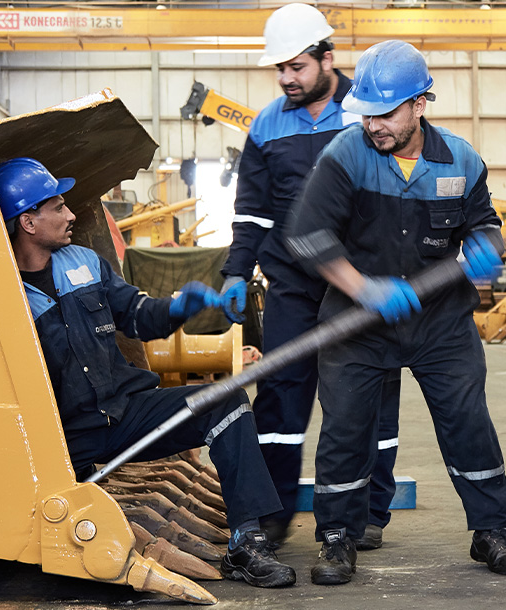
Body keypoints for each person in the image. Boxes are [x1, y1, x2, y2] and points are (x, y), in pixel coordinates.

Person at [284, 40, 506, 586]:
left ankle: (491, 530)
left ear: (420, 104)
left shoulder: (461, 160)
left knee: (468, 423)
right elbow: (305, 233)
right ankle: (337, 537)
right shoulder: (346, 155)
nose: (374, 126)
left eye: (386, 113)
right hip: (357, 321)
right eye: (367, 113)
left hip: (440, 322)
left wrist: (486, 250)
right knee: (347, 431)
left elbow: (482, 223)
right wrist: (362, 287)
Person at [0, 157, 296, 588]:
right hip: (61, 436)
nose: (72, 214)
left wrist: (175, 308)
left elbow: (136, 316)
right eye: (58, 207)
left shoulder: (83, 262)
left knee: (224, 401)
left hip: (124, 413)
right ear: (28, 221)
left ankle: (247, 542)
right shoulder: (0, 290)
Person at [220, 2, 402, 551]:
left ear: (327, 57)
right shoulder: (268, 126)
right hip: (293, 286)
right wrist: (235, 268)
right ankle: (273, 511)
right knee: (280, 395)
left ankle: (369, 510)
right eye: (279, 69)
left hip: (357, 282)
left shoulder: (369, 113)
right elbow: (251, 210)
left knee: (369, 394)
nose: (286, 79)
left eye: (296, 67)